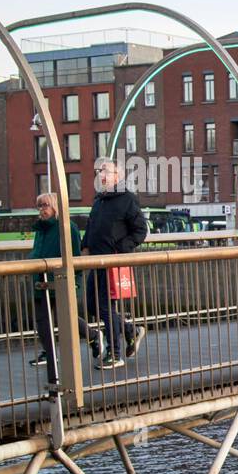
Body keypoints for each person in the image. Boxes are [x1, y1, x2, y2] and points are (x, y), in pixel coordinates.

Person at [82, 158, 148, 369]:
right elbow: (92, 226)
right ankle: (130, 331)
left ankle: (115, 352)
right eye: (100, 172)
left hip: (112, 260)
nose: (101, 175)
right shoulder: (99, 200)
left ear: (117, 177)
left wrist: (122, 248)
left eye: (106, 172)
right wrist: (85, 246)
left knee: (104, 306)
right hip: (96, 260)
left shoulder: (127, 199)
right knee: (92, 304)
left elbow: (140, 230)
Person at [28, 192, 103, 373]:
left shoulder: (68, 228)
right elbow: (37, 251)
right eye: (39, 206)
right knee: (42, 320)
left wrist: (74, 279)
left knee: (66, 318)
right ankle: (49, 352)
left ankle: (93, 336)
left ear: (55, 207)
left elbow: (75, 256)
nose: (41, 210)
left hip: (61, 280)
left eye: (45, 205)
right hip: (41, 280)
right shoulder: (40, 229)